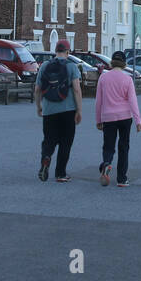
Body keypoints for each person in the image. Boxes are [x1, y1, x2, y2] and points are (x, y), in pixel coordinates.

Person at [35, 40, 82, 182]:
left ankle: (46, 157)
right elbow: (76, 89)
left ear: (56, 51)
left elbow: (37, 89)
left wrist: (39, 106)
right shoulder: (72, 66)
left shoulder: (45, 66)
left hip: (49, 110)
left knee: (49, 139)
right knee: (66, 142)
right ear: (68, 52)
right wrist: (79, 110)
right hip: (68, 110)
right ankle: (61, 174)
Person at [95, 51, 141, 188]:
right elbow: (133, 101)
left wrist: (98, 119)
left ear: (111, 62)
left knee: (108, 145)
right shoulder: (127, 79)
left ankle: (107, 163)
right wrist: (138, 121)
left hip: (108, 117)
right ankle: (122, 178)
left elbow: (98, 101)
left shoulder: (103, 78)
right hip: (125, 117)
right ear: (123, 63)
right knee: (123, 147)